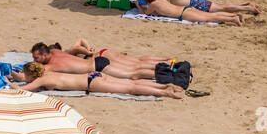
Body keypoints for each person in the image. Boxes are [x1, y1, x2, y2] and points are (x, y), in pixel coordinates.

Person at [19, 61, 186, 99]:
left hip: (92, 84)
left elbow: (25, 88)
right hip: (94, 75)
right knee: (131, 83)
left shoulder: (40, 80)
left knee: (130, 89)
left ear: (31, 75)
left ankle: (165, 93)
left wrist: (8, 84)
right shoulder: (48, 71)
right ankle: (165, 84)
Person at [30, 40, 171, 81]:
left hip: (98, 67)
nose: (34, 61)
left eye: (36, 58)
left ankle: (167, 72)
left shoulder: (51, 65)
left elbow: (32, 75)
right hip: (100, 60)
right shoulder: (56, 51)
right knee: (136, 65)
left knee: (133, 74)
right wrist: (87, 50)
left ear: (44, 55)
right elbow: (78, 43)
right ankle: (167, 64)